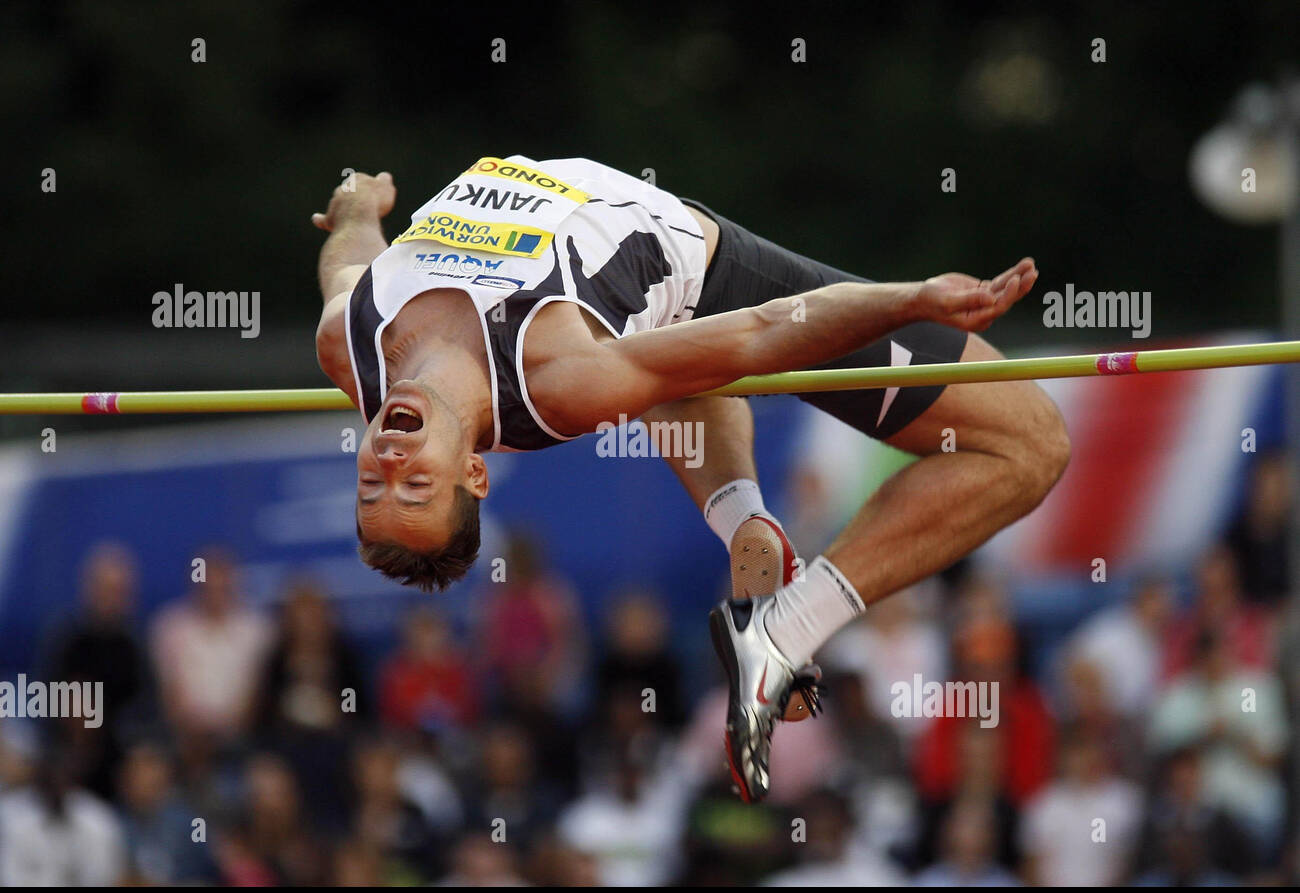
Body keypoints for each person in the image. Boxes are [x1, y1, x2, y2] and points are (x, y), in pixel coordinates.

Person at [312, 158, 1069, 802]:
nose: (387, 467)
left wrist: (357, 205)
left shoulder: (347, 345)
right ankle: (784, 627)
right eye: (415, 489)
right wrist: (906, 298)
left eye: (371, 489)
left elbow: (350, 255)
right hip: (712, 280)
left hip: (644, 322)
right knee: (1030, 444)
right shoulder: (559, 373)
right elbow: (762, 329)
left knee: (653, 355)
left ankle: (742, 521)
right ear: (475, 472)